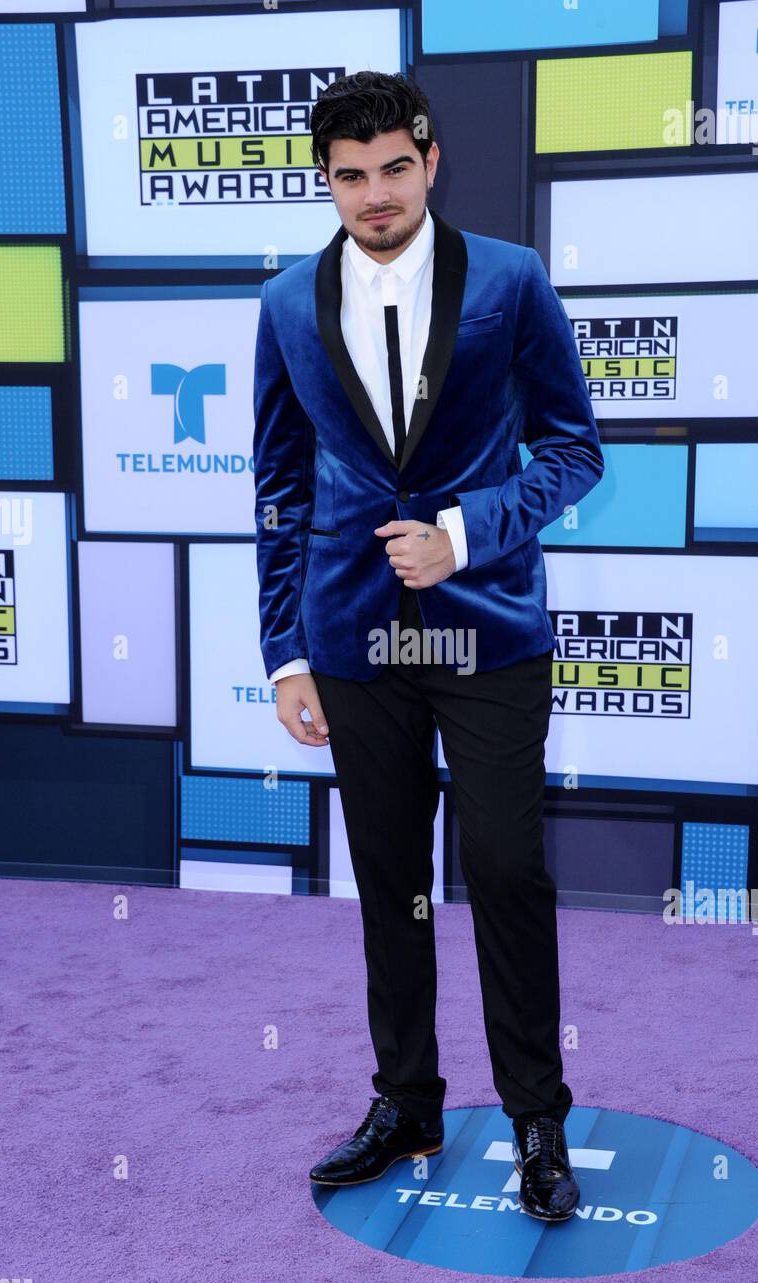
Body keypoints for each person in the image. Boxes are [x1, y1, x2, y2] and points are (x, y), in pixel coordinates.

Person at [252, 71, 604, 1220]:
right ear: (326, 179)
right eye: (349, 177)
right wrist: (284, 650)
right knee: (390, 883)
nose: (374, 196)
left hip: (488, 629)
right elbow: (280, 486)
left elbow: (572, 453)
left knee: (505, 870)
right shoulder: (284, 302)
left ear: (431, 160)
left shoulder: (510, 279)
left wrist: (464, 531)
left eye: (393, 169)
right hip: (352, 642)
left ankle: (536, 1117)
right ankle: (405, 1100)